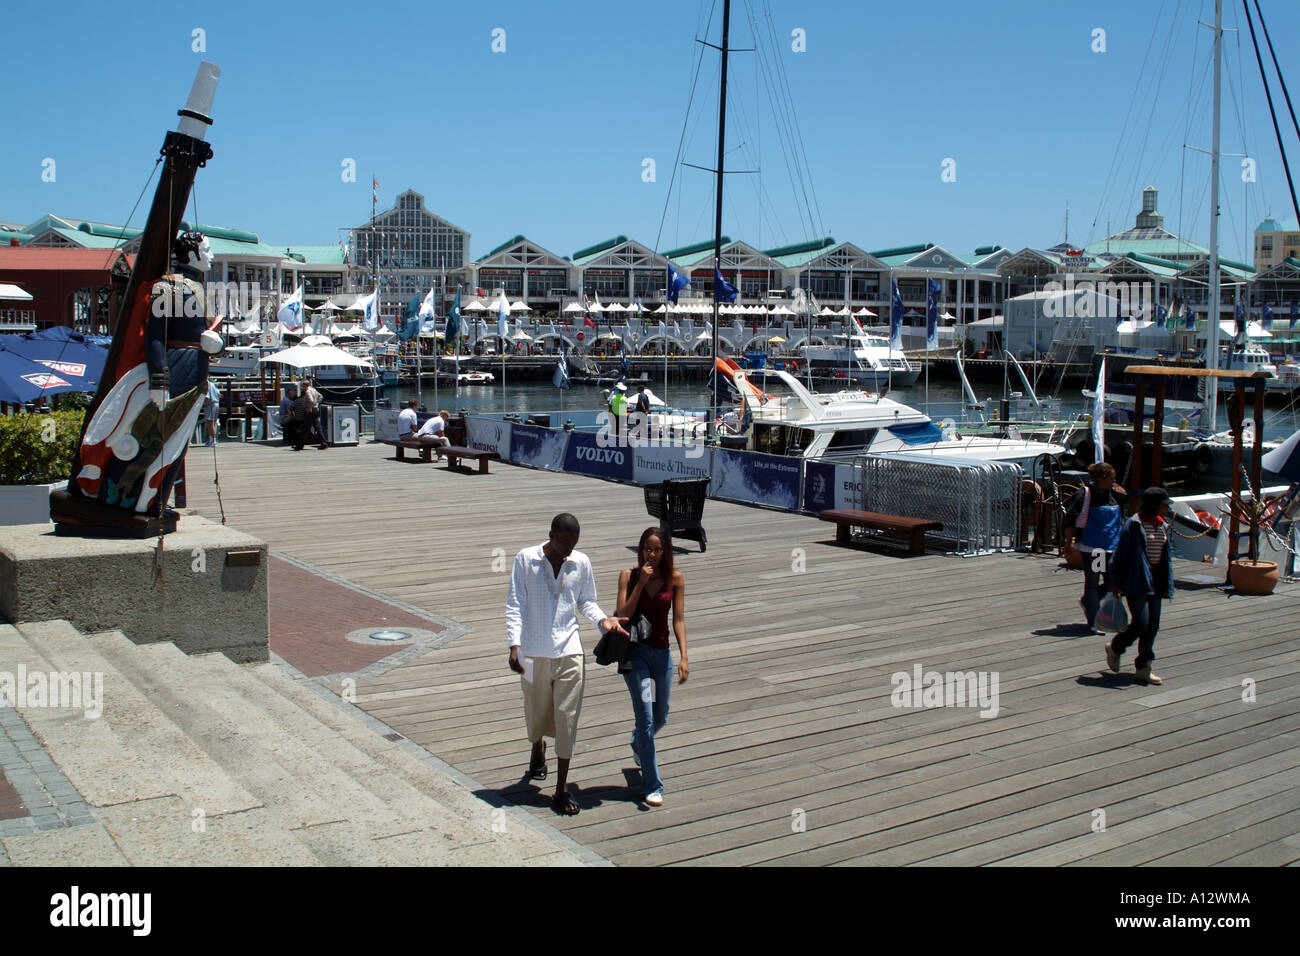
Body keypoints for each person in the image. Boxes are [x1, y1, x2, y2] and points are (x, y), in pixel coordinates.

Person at [505, 513, 627, 816]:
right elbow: (515, 603)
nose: (567, 551)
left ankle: (561, 789)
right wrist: (514, 645)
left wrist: (603, 621)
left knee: (567, 718)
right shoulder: (526, 559)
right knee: (536, 711)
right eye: (563, 544)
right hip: (533, 651)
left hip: (569, 650)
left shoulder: (580, 563)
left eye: (573, 545)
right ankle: (537, 747)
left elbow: (586, 601)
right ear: (550, 535)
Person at [614, 527, 688, 807]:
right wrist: (641, 584)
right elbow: (622, 615)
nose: (652, 555)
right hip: (636, 655)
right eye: (647, 548)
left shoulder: (676, 579)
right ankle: (652, 785)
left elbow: (678, 620)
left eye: (658, 550)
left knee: (660, 717)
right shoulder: (628, 576)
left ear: (666, 552)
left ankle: (638, 745)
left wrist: (684, 656)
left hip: (662, 654)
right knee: (645, 719)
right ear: (640, 549)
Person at [1106, 487, 1174, 685]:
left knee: (1153, 625)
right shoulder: (1134, 524)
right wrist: (1117, 581)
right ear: (1155, 505)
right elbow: (1121, 554)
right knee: (1141, 622)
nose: (1167, 509)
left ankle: (1144, 667)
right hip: (1137, 579)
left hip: (1156, 579)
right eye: (1164, 505)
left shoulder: (1162, 525)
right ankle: (1116, 647)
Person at [1063, 461, 1126, 633]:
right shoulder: (1085, 494)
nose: (1114, 481)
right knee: (1093, 582)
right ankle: (1093, 620)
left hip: (1112, 547)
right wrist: (1068, 543)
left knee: (1111, 582)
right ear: (1101, 478)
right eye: (1112, 478)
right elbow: (1069, 519)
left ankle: (1089, 601)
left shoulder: (1113, 493)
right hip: (1094, 549)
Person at [291, 381, 327, 451]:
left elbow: (310, 400)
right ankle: (324, 443)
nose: (301, 387)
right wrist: (316, 404)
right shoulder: (313, 389)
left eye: (302, 386)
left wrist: (309, 407)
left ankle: (299, 446)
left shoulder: (307, 391)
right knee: (318, 428)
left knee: (305, 429)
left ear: (305, 386)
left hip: (310, 411)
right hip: (316, 410)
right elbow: (321, 397)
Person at [202, 378, 221, 446]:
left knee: (210, 423)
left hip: (210, 404)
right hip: (216, 403)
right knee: (213, 422)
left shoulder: (206, 385)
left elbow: (207, 397)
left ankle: (213, 440)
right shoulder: (212, 384)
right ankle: (211, 439)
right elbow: (219, 394)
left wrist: (205, 406)